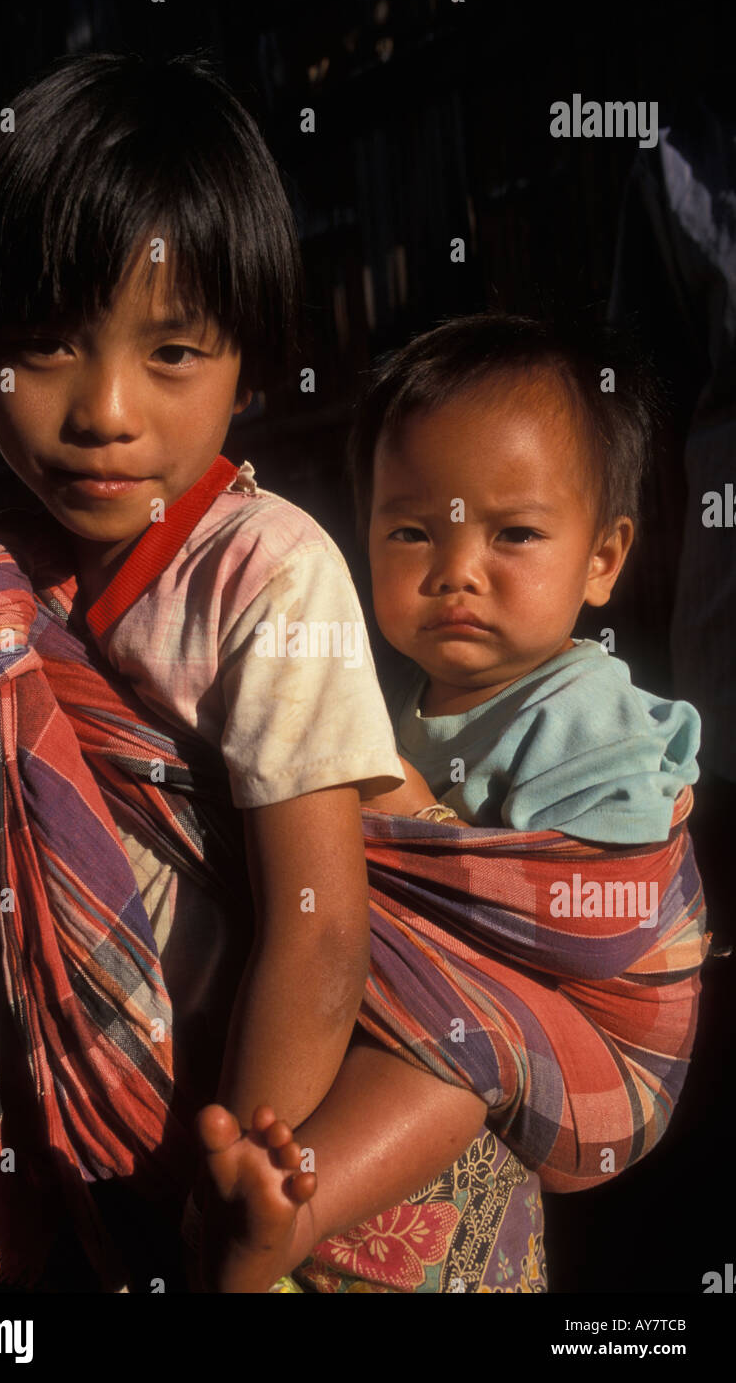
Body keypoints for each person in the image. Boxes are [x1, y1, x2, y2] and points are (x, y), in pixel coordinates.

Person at [0, 54, 704, 1296]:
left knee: (453, 1049)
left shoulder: (265, 574)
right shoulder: (0, 561)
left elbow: (319, 934)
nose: (104, 409)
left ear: (247, 361)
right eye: (46, 343)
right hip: (137, 1094)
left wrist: (241, 1180)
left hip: (292, 1117)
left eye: (169, 352)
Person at [192, 315, 708, 1292]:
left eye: (511, 533)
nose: (456, 571)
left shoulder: (581, 707)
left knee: (458, 1050)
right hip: (514, 1011)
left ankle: (296, 1205)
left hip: (607, 1040)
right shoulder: (397, 704)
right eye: (411, 531)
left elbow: (602, 900)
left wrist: (418, 818)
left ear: (601, 560)